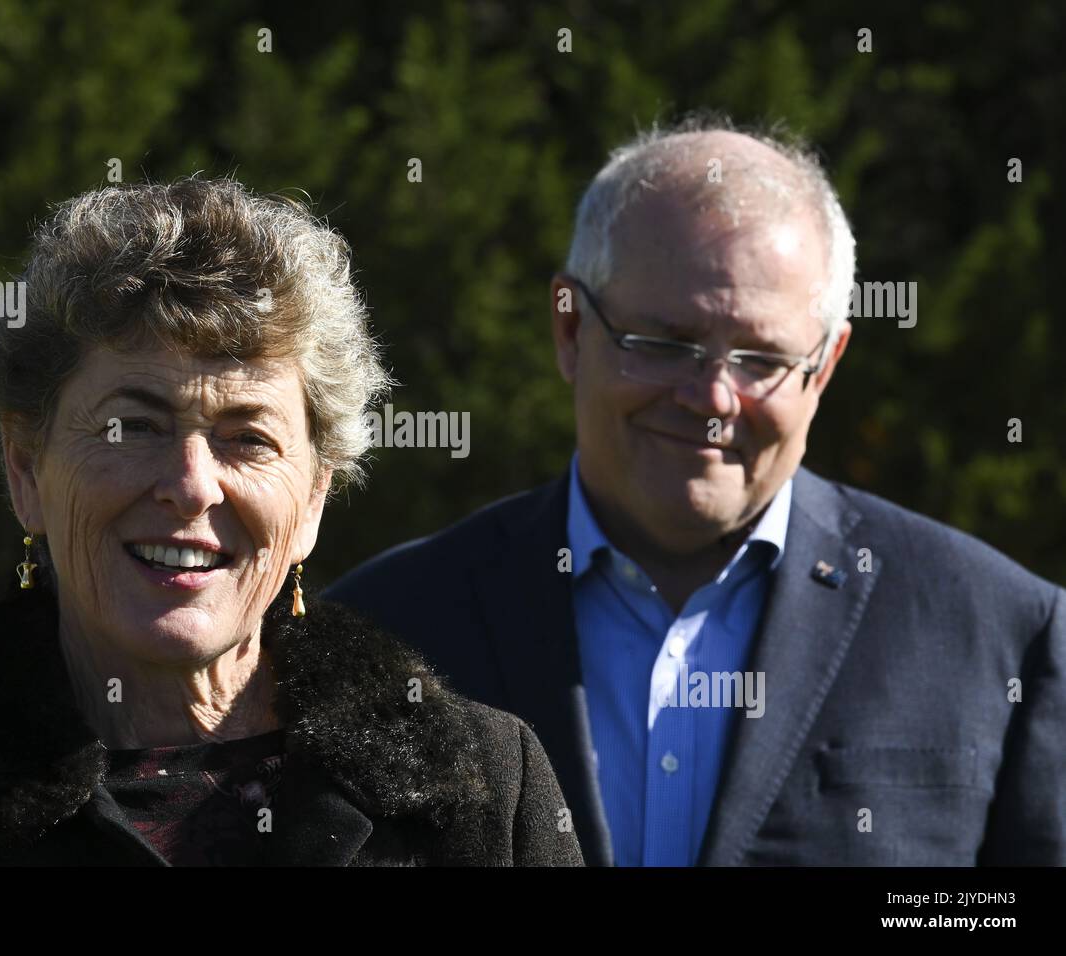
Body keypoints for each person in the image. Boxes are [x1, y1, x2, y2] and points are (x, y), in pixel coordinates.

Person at [0, 177, 582, 867]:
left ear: (314, 502)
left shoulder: (483, 788)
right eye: (135, 426)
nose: (192, 485)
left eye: (248, 438)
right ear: (26, 471)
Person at [327, 120, 1066, 866]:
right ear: (569, 328)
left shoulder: (1003, 633)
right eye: (665, 343)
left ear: (827, 363)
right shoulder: (388, 630)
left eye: (762, 358)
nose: (713, 397)